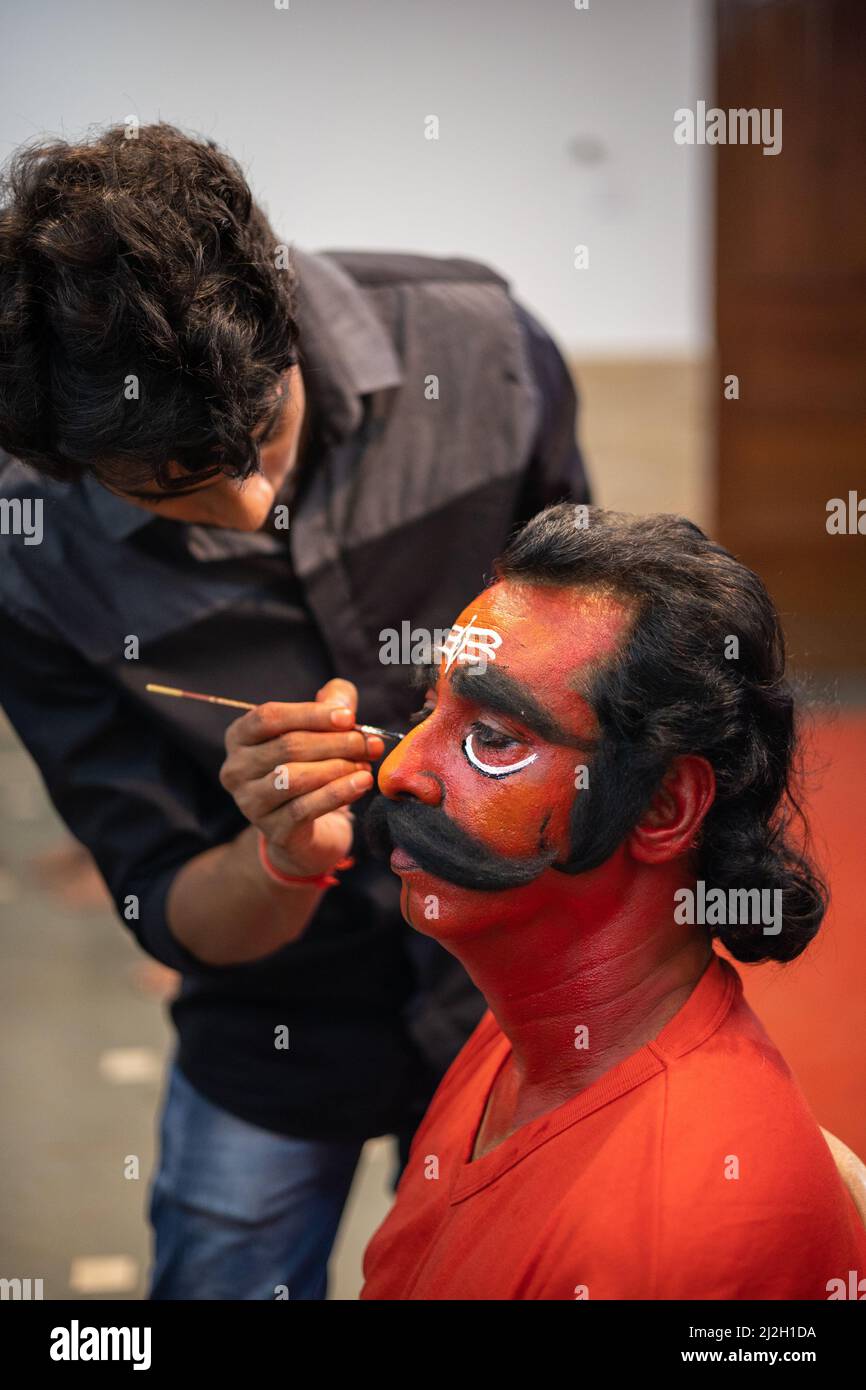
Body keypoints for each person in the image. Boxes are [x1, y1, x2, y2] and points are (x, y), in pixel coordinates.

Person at [0, 123, 588, 1299]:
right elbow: (164, 901)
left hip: (526, 992)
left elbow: (592, 656)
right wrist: (274, 861)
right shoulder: (30, 550)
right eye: (175, 491)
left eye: (265, 433)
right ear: (70, 461)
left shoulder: (478, 353)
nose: (253, 501)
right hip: (272, 1029)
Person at [362, 504, 866, 1300]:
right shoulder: (520, 1035)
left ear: (663, 807)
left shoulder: (677, 1239)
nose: (398, 771)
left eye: (493, 739)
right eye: (429, 710)